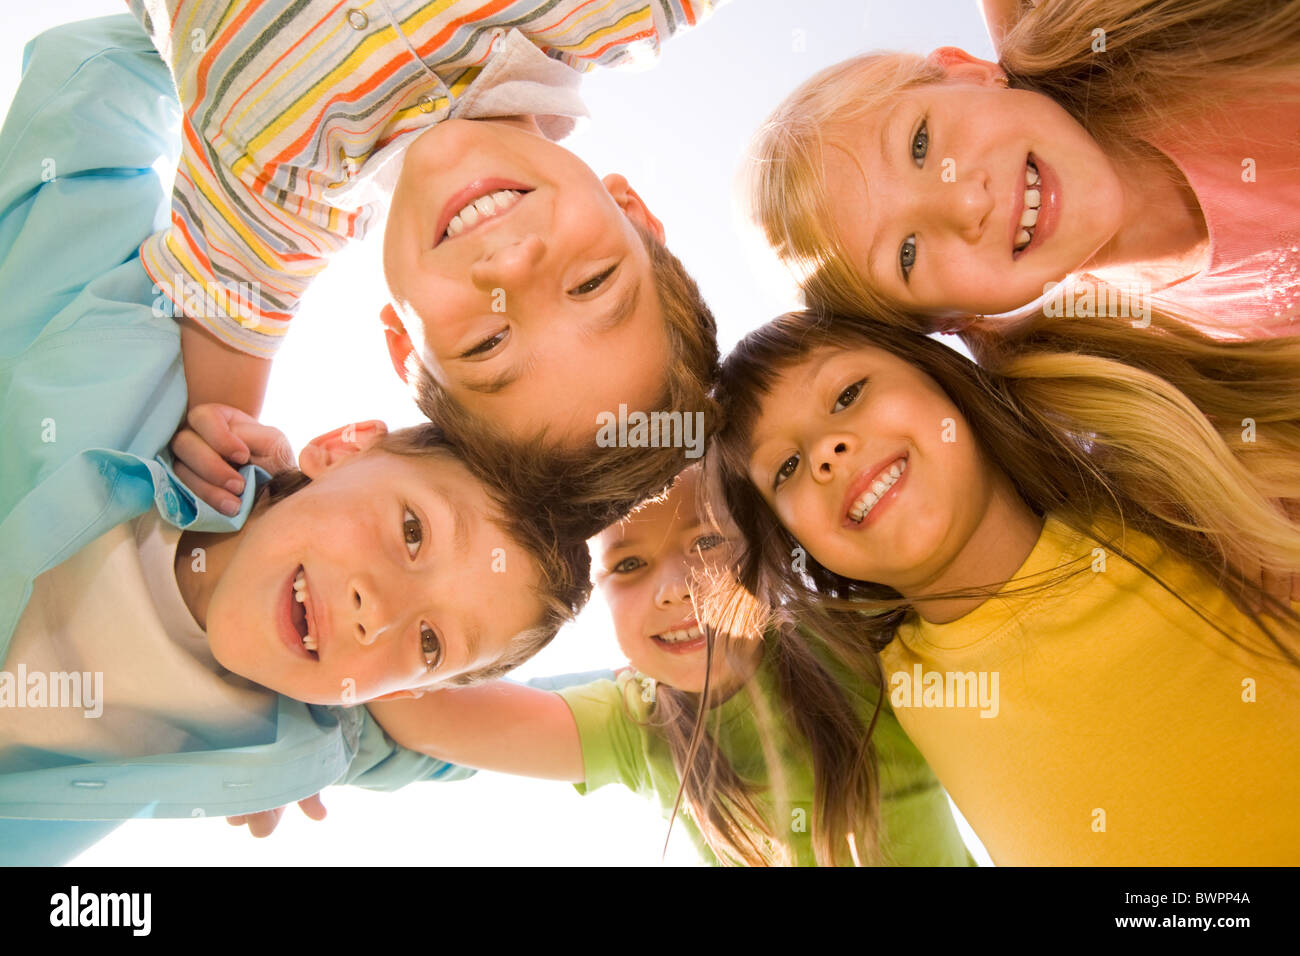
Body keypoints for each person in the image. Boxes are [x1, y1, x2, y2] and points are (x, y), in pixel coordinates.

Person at [0, 14, 586, 865]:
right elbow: (94, 77)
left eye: (427, 646)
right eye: (411, 531)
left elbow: (622, 728)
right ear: (343, 447)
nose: (377, 611)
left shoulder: (309, 743)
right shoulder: (129, 341)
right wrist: (319, 100)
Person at [705, 310, 1300, 864]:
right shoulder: (879, 681)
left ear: (941, 375)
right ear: (792, 543)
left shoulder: (1157, 494)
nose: (825, 454)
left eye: (848, 394)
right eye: (785, 469)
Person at [129, 0, 721, 531]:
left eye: (489, 342)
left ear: (407, 350)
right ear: (634, 216)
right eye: (592, 283)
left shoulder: (275, 199)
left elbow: (216, 433)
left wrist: (256, 482)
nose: (512, 266)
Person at [367, 467, 975, 866]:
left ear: (764, 548)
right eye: (628, 566)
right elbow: (426, 715)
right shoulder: (637, 725)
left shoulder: (852, 646)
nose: (673, 589)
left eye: (707, 542)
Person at [749, 0, 1300, 344]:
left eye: (921, 143)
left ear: (968, 70)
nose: (966, 204)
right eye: (908, 255)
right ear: (956, 318)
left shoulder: (1151, 29)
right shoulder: (1189, 361)